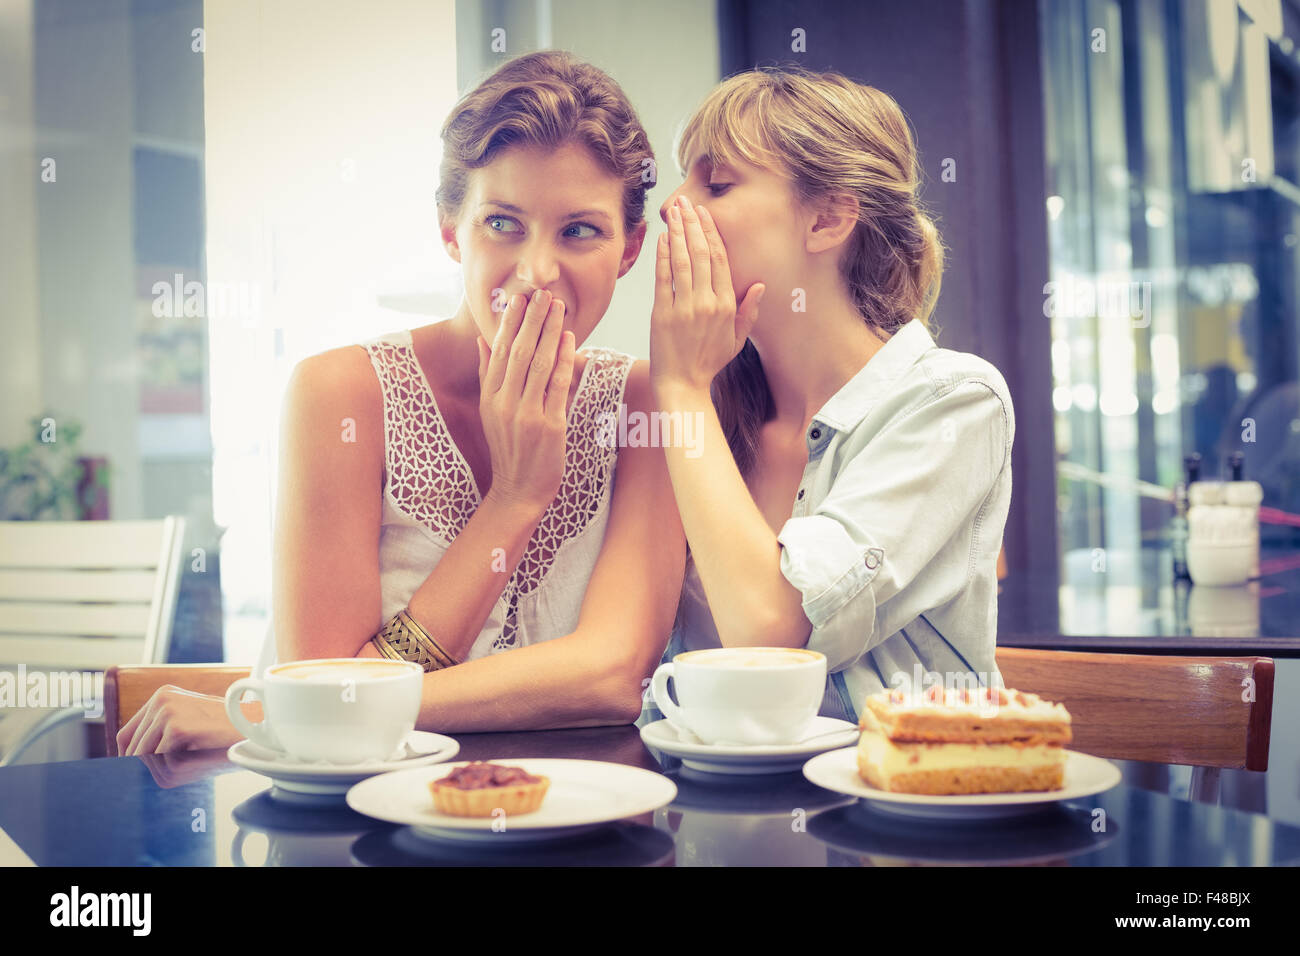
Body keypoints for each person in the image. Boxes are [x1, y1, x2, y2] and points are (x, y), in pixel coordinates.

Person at [118, 51, 686, 755]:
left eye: (580, 230)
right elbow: (328, 694)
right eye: (502, 223)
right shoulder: (341, 395)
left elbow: (609, 679)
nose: (538, 273)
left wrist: (288, 713)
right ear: (452, 230)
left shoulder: (647, 407)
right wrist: (514, 498)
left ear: (629, 249)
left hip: (571, 822)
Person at [645, 66, 1014, 723]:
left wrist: (679, 387)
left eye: (717, 183)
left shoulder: (956, 401)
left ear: (828, 218)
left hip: (892, 813)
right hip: (707, 813)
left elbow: (769, 630)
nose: (674, 205)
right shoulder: (704, 407)